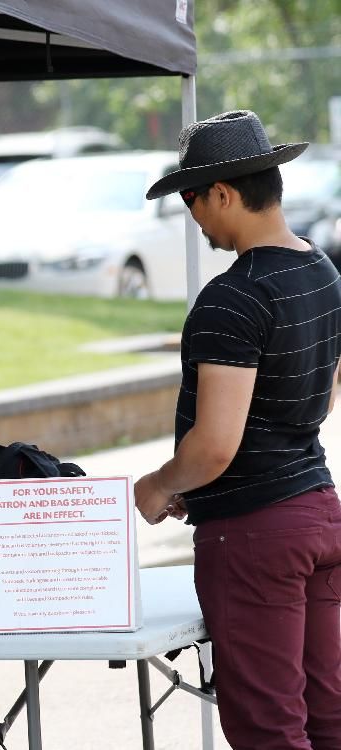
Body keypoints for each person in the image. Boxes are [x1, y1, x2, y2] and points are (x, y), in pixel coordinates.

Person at [134, 110, 341, 750]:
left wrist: (157, 485)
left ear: (223, 192)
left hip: (254, 532)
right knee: (330, 715)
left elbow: (215, 445)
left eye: (192, 199)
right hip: (320, 512)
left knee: (268, 727)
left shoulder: (234, 298)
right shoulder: (325, 273)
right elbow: (324, 395)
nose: (194, 218)